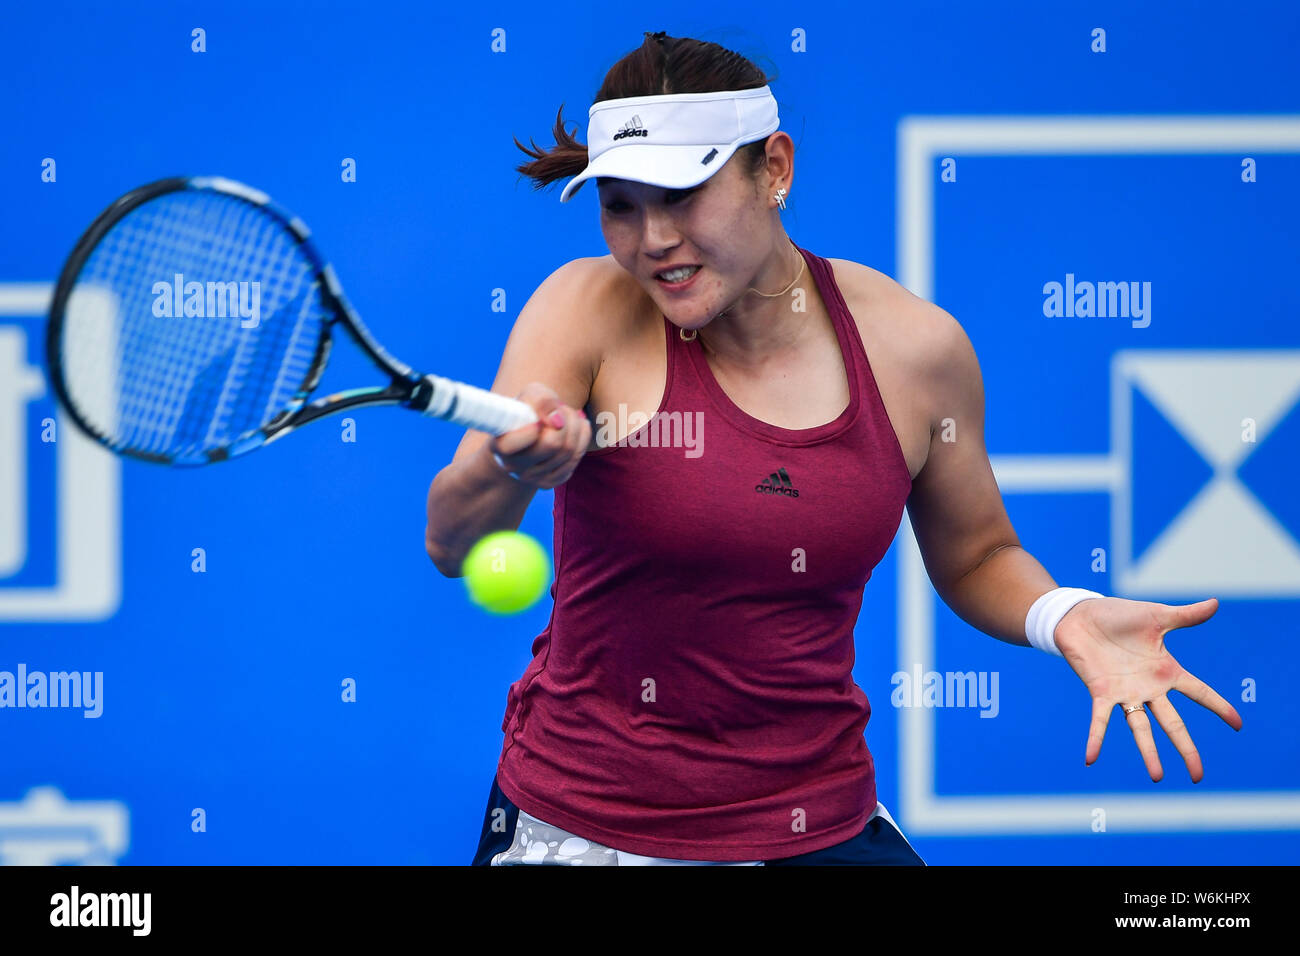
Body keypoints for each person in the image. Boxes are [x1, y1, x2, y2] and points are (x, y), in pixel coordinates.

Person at [426, 31, 1243, 866]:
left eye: (682, 194)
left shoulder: (915, 349)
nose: (652, 239)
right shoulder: (584, 310)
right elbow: (449, 545)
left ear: (774, 168)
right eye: (622, 205)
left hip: (816, 818)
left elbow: (978, 554)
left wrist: (1061, 614)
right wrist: (505, 464)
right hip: (590, 827)